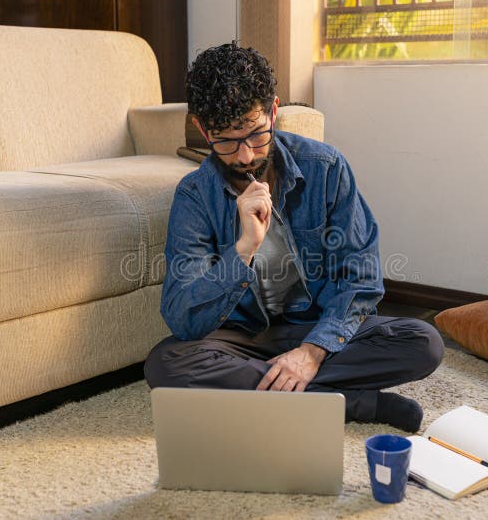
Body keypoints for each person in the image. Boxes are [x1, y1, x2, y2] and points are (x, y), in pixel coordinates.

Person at [144, 42, 444, 432]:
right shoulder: (194, 196)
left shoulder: (326, 168)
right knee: (165, 364)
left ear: (272, 111)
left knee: (423, 342)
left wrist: (312, 351)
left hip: (315, 326)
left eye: (255, 134)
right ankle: (353, 404)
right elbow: (182, 318)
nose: (246, 156)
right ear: (202, 129)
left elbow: (361, 278)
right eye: (225, 141)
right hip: (243, 337)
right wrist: (244, 248)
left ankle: (269, 390)